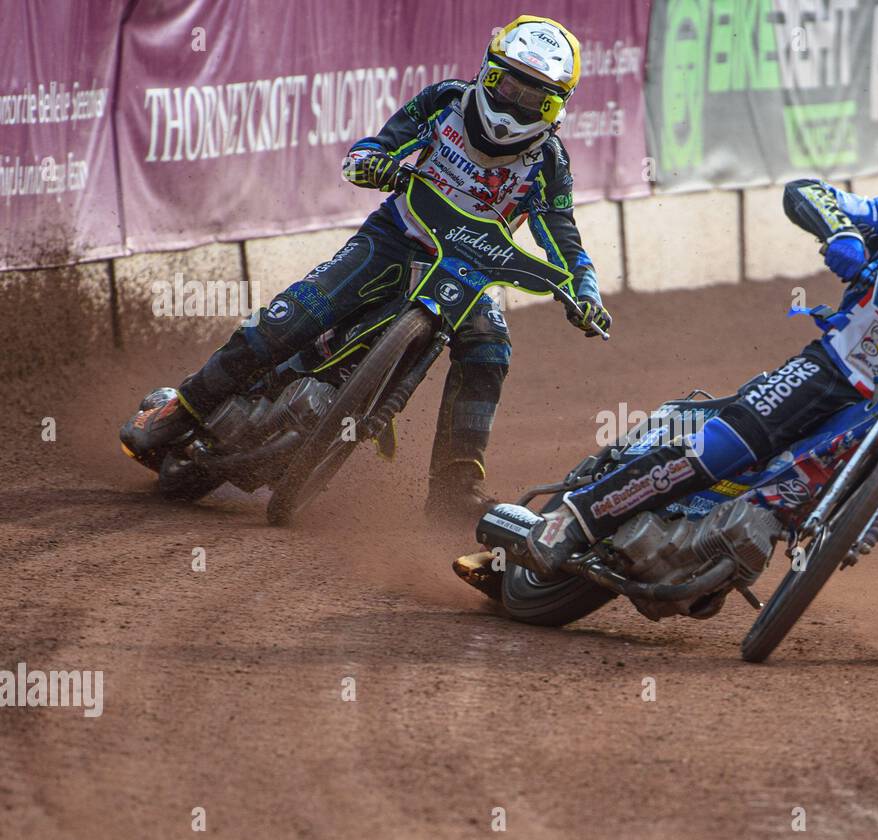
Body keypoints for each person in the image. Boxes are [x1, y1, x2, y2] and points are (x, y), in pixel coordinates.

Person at [521, 143, 878, 663]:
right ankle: (576, 519)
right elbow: (810, 193)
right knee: (729, 445)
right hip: (831, 373)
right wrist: (844, 237)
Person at [120, 15, 611, 519]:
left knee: (491, 348)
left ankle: (454, 488)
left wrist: (585, 290)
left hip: (468, 270)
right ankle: (184, 406)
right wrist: (373, 162)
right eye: (508, 85)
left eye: (533, 98)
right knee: (287, 319)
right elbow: (374, 147)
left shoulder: (549, 161)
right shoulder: (446, 101)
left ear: (554, 108)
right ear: (488, 75)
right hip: (394, 238)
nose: (514, 104)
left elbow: (562, 234)